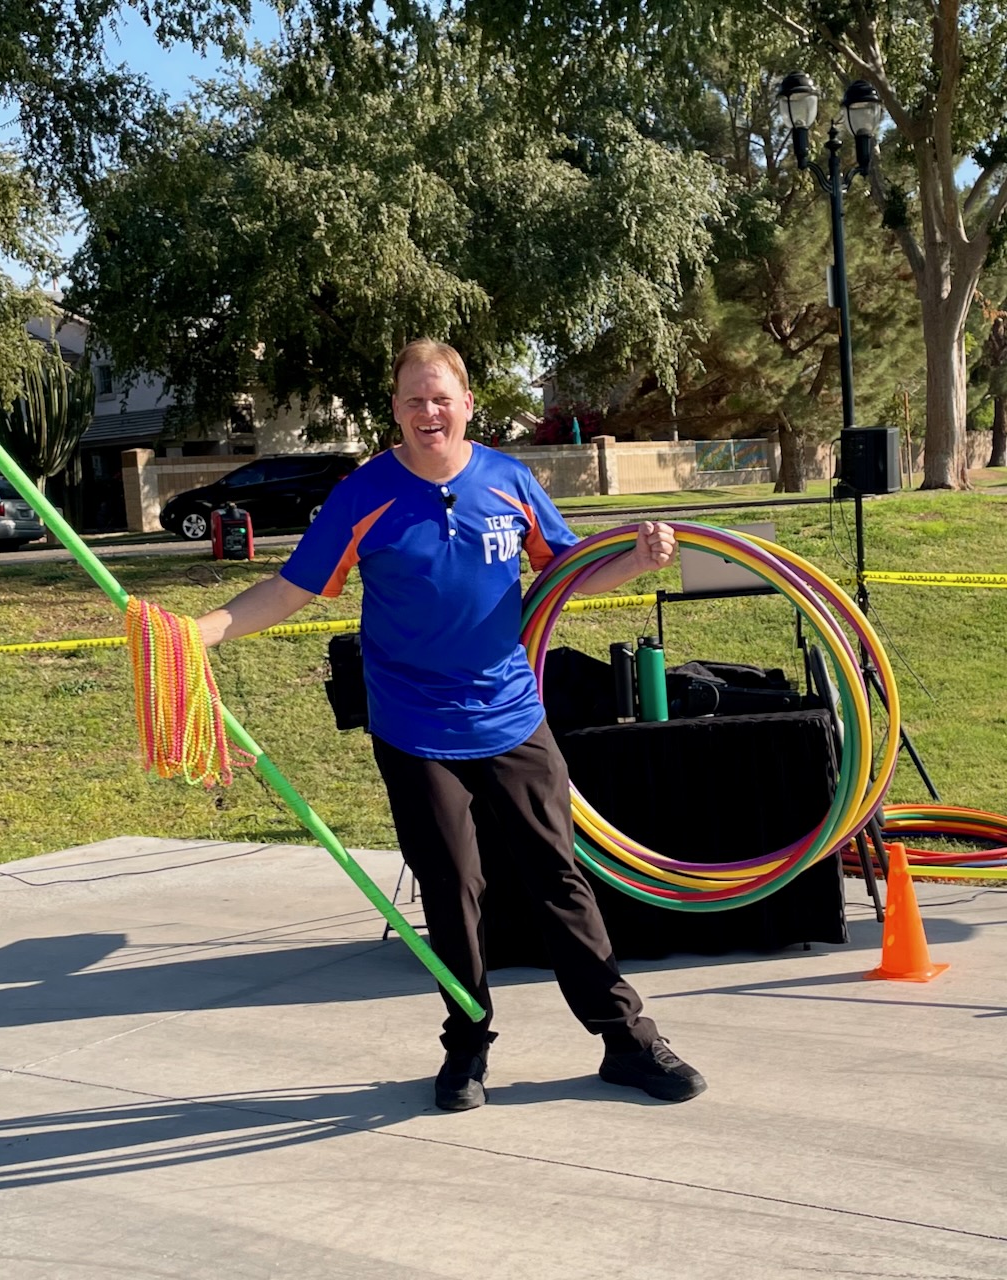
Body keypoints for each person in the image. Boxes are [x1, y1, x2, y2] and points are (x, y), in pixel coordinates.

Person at [196, 339, 705, 1111]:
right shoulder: (363, 493)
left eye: (441, 398)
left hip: (511, 713)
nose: (427, 412)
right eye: (411, 400)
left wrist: (638, 560)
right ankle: (467, 1046)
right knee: (454, 888)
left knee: (558, 878)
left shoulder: (511, 480)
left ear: (468, 404)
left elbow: (568, 569)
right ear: (394, 411)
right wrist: (197, 632)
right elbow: (294, 587)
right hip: (413, 724)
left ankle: (626, 1041)